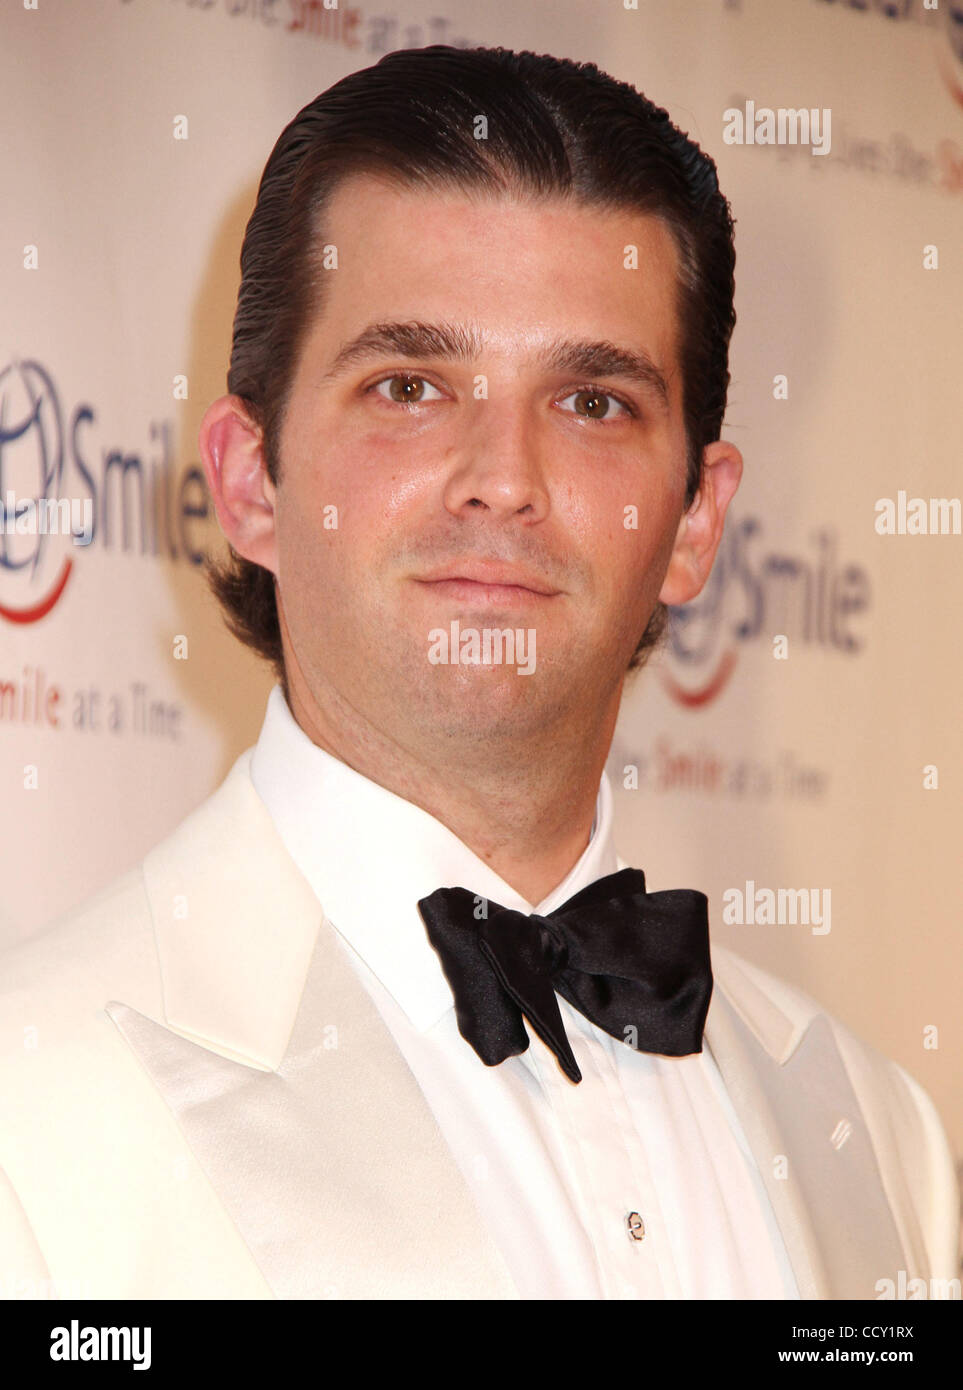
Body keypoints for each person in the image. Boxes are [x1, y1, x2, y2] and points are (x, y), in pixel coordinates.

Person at [0, 44, 957, 1302]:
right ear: (248, 482)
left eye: (594, 402)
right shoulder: (32, 1109)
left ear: (694, 521)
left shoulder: (880, 1136)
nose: (504, 478)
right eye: (409, 386)